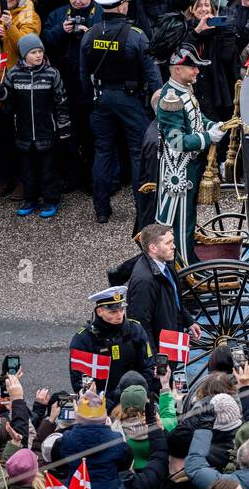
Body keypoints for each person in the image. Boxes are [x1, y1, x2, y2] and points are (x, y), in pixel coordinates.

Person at [81, 0, 161, 228]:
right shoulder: (136, 36)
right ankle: (143, 208)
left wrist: (92, 99)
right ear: (124, 7)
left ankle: (101, 210)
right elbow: (152, 75)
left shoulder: (90, 35)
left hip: (101, 98)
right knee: (139, 154)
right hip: (130, 100)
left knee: (104, 151)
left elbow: (83, 75)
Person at [151, 43, 224, 265]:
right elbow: (177, 141)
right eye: (192, 67)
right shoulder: (170, 99)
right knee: (182, 221)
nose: (197, 71)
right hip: (179, 171)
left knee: (188, 218)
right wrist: (207, 138)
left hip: (188, 168)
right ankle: (184, 264)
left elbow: (195, 119)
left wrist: (212, 125)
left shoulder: (184, 90)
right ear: (177, 70)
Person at [0, 33, 71, 218]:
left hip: (47, 130)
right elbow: (7, 98)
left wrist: (64, 128)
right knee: (27, 170)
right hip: (23, 131)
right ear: (24, 54)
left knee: (48, 169)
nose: (38, 55)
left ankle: (50, 200)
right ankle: (30, 199)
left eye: (40, 51)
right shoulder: (14, 73)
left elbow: (61, 101)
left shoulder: (52, 73)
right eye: (33, 52)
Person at [126, 224, 203, 352]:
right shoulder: (144, 281)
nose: (174, 246)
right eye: (168, 243)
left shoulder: (165, 265)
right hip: (160, 349)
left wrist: (189, 321)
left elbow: (174, 300)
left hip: (169, 340)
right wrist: (156, 361)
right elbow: (141, 326)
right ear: (153, 248)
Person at [67, 286, 154, 393]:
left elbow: (148, 367)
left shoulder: (135, 329)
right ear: (99, 311)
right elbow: (80, 382)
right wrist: (109, 404)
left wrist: (134, 395)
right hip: (101, 402)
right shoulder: (84, 339)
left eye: (121, 310)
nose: (119, 316)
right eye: (113, 312)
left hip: (134, 397)